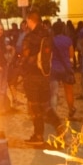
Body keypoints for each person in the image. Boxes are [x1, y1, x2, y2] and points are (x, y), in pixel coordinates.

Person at [19, 12, 62, 145]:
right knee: (46, 106)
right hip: (44, 75)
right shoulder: (48, 33)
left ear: (30, 21)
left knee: (34, 107)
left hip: (32, 75)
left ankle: (38, 136)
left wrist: (20, 69)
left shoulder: (29, 37)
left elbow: (25, 54)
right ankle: (58, 124)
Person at [50, 20, 76, 119]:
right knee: (69, 90)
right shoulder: (68, 40)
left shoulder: (51, 40)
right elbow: (71, 54)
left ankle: (53, 113)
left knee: (53, 92)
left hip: (54, 68)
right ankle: (71, 109)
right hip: (66, 68)